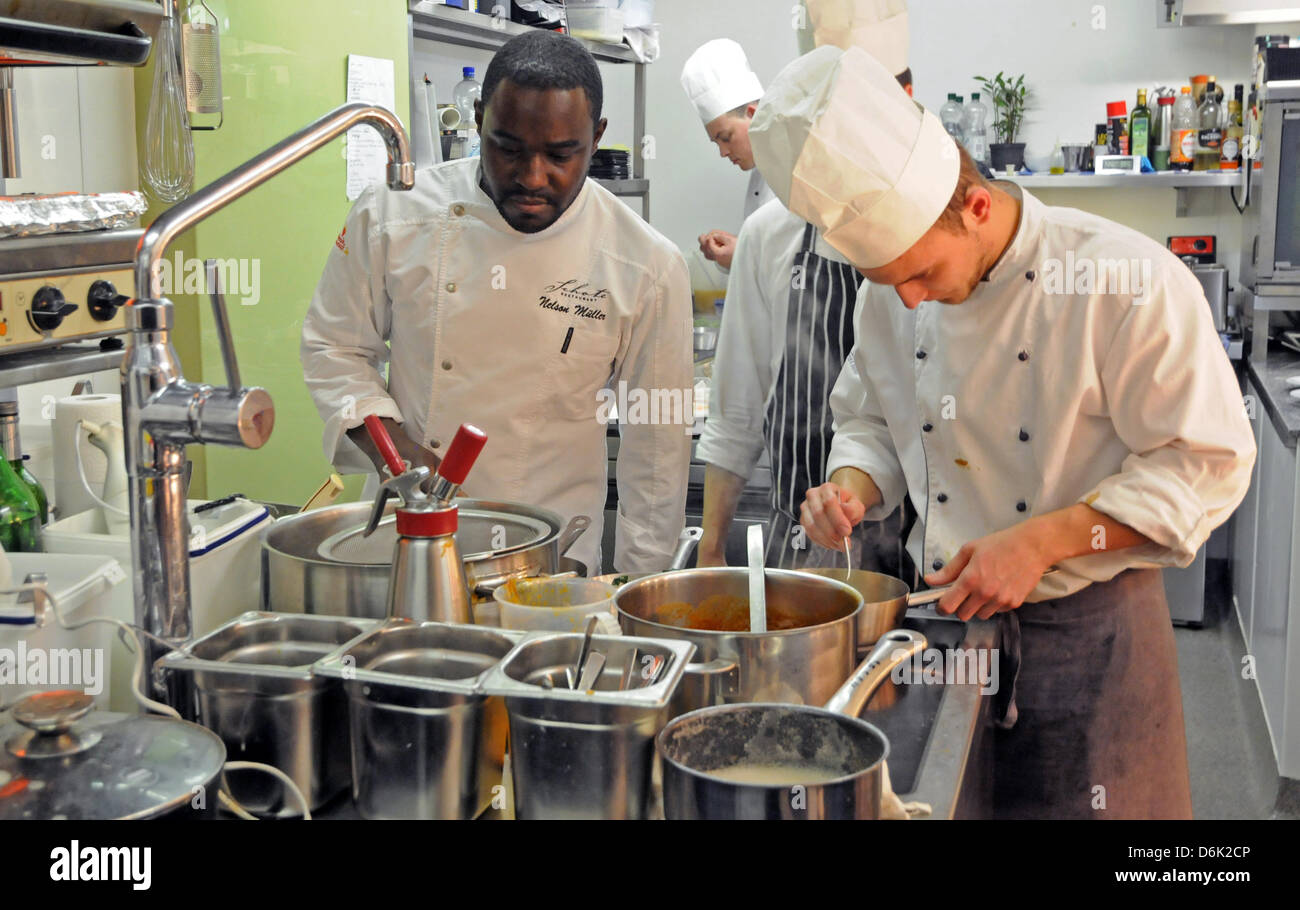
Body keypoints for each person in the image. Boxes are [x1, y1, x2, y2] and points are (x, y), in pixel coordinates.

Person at [750, 45, 1255, 818]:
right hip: (949, 630)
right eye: (891, 283)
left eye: (921, 274)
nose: (911, 302)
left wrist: (1048, 539)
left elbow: (1206, 462)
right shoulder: (892, 297)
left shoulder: (1123, 280)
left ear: (976, 207)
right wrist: (851, 489)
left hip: (1091, 635)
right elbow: (871, 417)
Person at [300, 30, 693, 576]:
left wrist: (638, 591)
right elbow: (334, 348)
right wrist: (395, 450)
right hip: (408, 537)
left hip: (551, 560)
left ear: (597, 136)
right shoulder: (394, 213)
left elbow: (656, 453)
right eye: (508, 148)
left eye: (561, 154)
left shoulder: (644, 265)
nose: (533, 177)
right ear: (479, 117)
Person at [696, 4, 915, 572]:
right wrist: (712, 545)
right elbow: (737, 405)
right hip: (798, 548)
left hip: (924, 547)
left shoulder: (931, 234)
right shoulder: (768, 234)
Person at [680, 39, 775, 271]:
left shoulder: (797, 164)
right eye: (716, 143)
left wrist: (741, 254)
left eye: (725, 137)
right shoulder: (760, 169)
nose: (723, 152)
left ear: (752, 114)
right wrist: (735, 247)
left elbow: (802, 267)